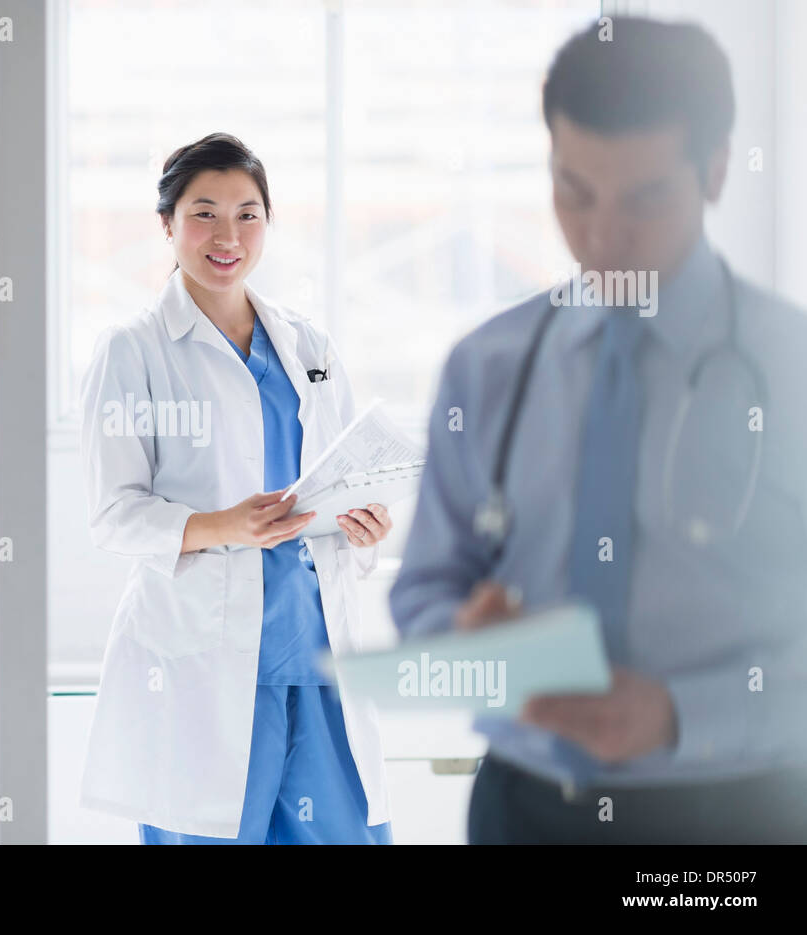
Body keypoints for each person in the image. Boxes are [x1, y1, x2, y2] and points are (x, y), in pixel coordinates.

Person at [389, 16, 807, 844]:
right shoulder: (487, 369)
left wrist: (681, 713)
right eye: (574, 192)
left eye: (645, 198)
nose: (602, 235)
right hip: (522, 807)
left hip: (737, 815)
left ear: (716, 171)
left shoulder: (789, 367)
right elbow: (424, 595)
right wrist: (470, 646)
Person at [78, 132, 395, 844]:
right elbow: (112, 514)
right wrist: (223, 526)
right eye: (204, 213)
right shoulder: (133, 349)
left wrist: (365, 525)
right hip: (206, 660)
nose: (228, 235)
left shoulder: (307, 344)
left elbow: (343, 476)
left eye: (248, 214)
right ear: (167, 224)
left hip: (315, 650)